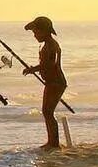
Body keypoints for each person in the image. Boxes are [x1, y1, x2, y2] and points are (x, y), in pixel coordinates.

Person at [23, 16, 67, 150]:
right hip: (52, 82)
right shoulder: (47, 44)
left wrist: (33, 69)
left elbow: (49, 64)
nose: (35, 35)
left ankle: (53, 143)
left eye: (36, 32)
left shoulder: (51, 46)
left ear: (45, 31)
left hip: (56, 82)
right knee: (47, 112)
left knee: (48, 112)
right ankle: (52, 141)